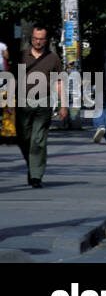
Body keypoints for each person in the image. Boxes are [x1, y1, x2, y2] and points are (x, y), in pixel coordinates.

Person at [11, 26, 67, 187]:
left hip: (44, 101)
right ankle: (32, 164)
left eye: (41, 39)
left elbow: (59, 82)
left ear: (46, 39)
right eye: (35, 38)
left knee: (38, 139)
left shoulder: (53, 58)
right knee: (23, 138)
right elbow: (13, 79)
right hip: (23, 102)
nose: (38, 41)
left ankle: (36, 176)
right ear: (31, 38)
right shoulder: (22, 56)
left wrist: (63, 105)